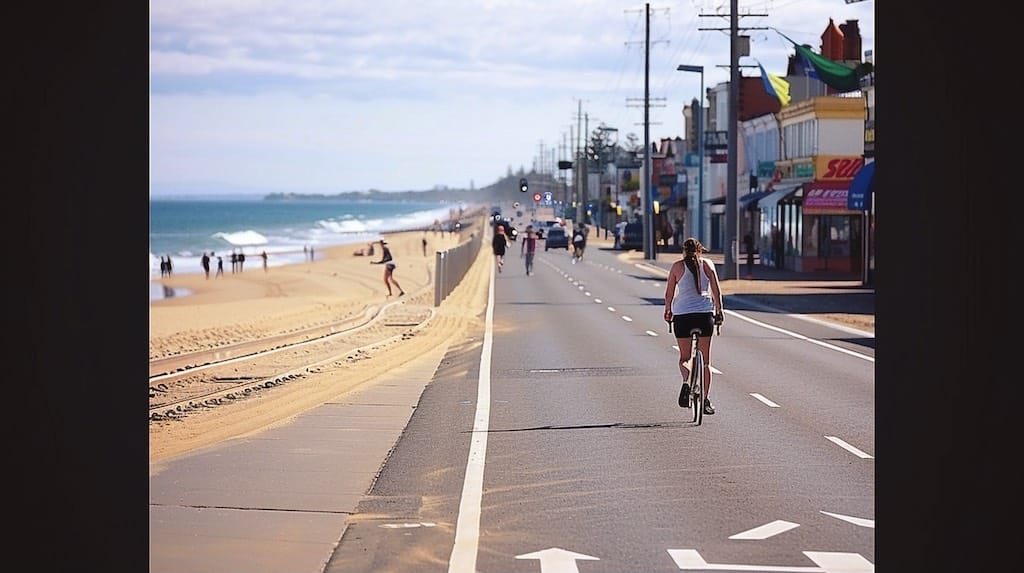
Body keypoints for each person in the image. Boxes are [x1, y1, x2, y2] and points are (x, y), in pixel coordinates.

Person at [663, 237, 724, 415]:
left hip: (682, 316)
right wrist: (719, 311)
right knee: (706, 362)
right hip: (704, 316)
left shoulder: (676, 267)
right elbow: (717, 291)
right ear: (700, 250)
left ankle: (685, 382)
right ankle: (705, 400)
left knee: (684, 357)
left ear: (684, 250)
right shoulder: (708, 265)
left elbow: (669, 294)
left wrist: (668, 310)